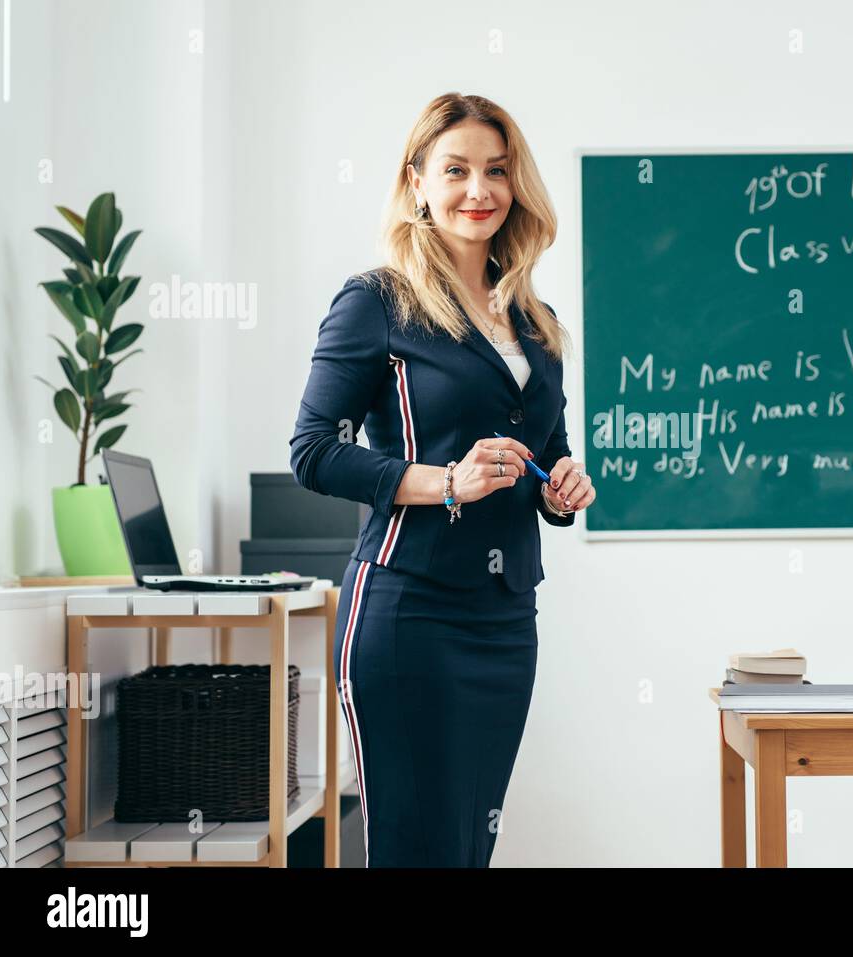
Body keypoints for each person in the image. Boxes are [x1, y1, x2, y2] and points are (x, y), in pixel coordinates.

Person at [289, 92, 595, 866]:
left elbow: (540, 451)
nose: (479, 190)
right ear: (417, 180)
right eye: (456, 170)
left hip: (503, 617)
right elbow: (313, 449)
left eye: (497, 171)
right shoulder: (376, 303)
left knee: (465, 848)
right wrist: (445, 482)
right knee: (415, 845)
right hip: (407, 610)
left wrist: (559, 487)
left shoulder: (536, 320)